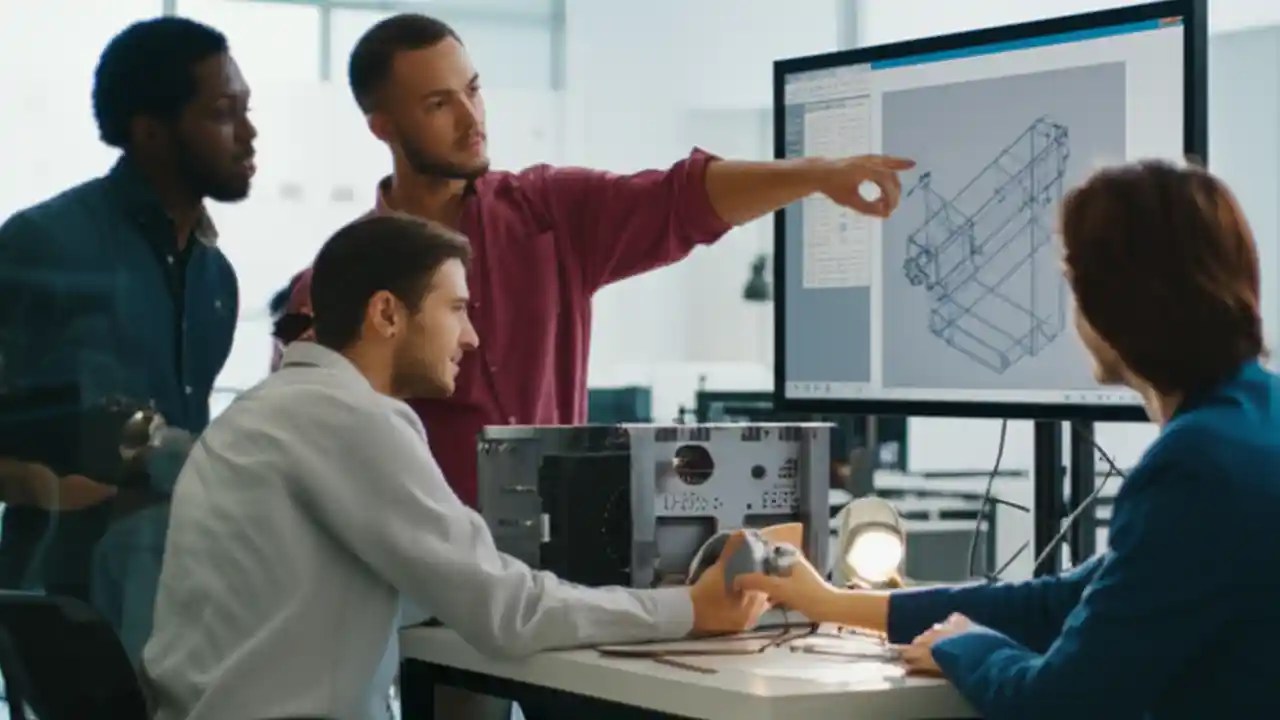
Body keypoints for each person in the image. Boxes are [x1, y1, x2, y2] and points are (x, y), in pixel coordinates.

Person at [142, 214, 769, 720]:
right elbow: (506, 611)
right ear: (387, 313)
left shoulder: (258, 415)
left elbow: (421, 592)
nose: (471, 337)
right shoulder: (353, 419)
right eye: (457, 308)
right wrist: (690, 608)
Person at [278, 13, 916, 509]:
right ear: (382, 127)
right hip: (415, 582)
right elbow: (308, 455)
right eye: (439, 105)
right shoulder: (336, 283)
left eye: (473, 90)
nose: (472, 118)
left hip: (558, 565)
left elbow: (680, 197)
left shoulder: (550, 211)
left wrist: (816, 175)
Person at [736, 160, 1280, 718]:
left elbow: (1061, 701)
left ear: (1106, 306)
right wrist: (829, 602)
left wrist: (965, 646)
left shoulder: (1196, 466)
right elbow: (1061, 603)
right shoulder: (1256, 420)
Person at [0, 16, 255, 663]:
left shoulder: (216, 277)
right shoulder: (41, 245)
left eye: (246, 110)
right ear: (150, 131)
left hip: (184, 599)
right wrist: (48, 488)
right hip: (63, 609)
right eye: (224, 112)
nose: (248, 135)